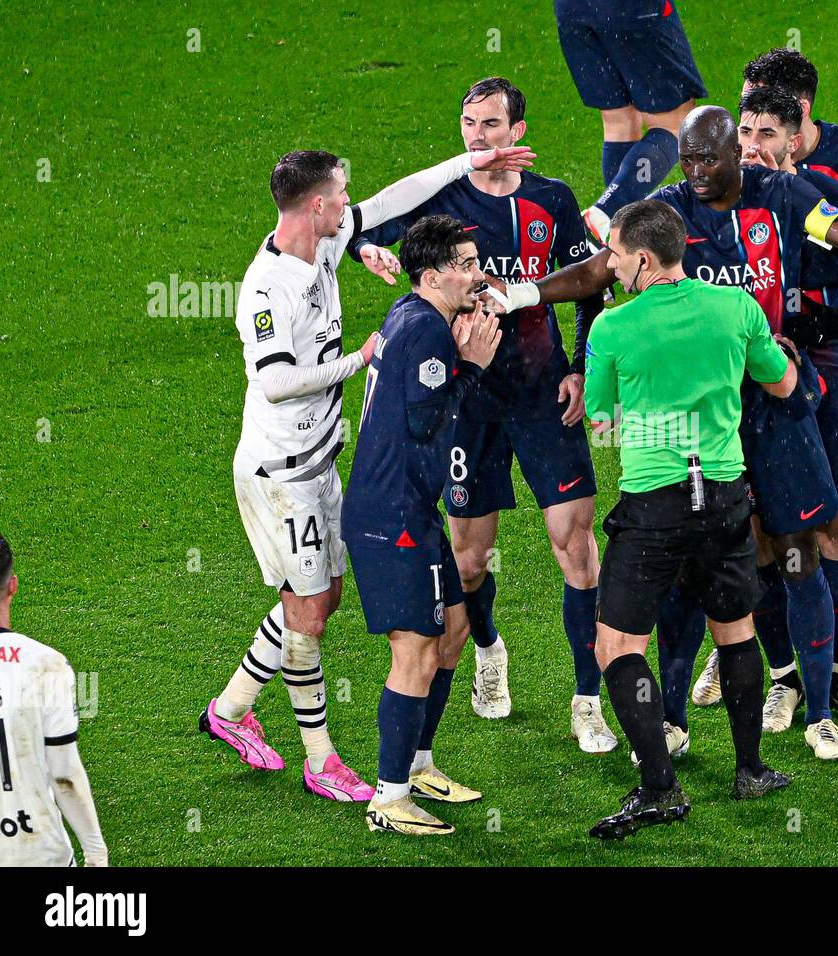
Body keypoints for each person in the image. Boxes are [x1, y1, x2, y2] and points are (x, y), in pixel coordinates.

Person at [486, 106, 838, 761]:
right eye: (689, 162)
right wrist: (516, 297)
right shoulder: (670, 211)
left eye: (710, 159)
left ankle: (835, 689)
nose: (699, 173)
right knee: (736, 558)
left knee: (813, 544)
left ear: (739, 153)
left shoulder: (784, 194)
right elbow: (601, 270)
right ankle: (771, 685)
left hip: (774, 397)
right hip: (717, 413)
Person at [200, 143, 534, 800]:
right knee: (310, 612)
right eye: (343, 194)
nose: (353, 203)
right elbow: (275, 384)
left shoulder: (321, 244)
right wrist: (359, 360)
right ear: (317, 204)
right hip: (281, 470)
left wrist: (465, 163)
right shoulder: (266, 290)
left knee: (320, 599)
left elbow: (391, 202)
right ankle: (320, 758)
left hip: (321, 459)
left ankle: (231, 708)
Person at [348, 77, 614, 753]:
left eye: (490, 125)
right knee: (468, 563)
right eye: (468, 124)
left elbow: (590, 286)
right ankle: (489, 651)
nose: (477, 137)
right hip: (468, 399)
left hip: (543, 394)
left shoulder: (552, 201)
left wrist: (582, 365)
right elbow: (354, 226)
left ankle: (588, 702)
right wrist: (365, 251)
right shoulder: (440, 202)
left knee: (577, 551)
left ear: (517, 132)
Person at [582, 200, 794, 839]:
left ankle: (659, 788)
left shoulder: (612, 329)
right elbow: (781, 385)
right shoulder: (735, 307)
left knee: (616, 647)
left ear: (644, 259)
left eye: (616, 254)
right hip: (727, 498)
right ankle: (751, 769)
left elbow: (599, 422)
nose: (611, 266)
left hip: (654, 508)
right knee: (734, 630)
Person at [683, 87, 838, 735]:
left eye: (766, 133)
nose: (752, 145)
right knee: (762, 534)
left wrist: (834, 320)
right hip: (752, 385)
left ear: (797, 137)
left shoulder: (817, 196)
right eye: (743, 132)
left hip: (828, 367)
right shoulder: (720, 205)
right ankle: (778, 670)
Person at [344, 216, 501, 836]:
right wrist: (472, 364)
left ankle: (418, 760)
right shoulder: (429, 334)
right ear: (432, 277)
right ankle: (388, 797)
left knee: (455, 627)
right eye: (464, 264)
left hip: (409, 509)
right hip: (393, 518)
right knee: (413, 652)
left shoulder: (410, 315)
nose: (477, 273)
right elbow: (424, 424)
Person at [0, 532, 108, 866]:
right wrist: (96, 853)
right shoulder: (45, 664)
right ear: (13, 585)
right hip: (40, 855)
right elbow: (65, 774)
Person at [554, 0, 707, 242]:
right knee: (676, 123)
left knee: (619, 121)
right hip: (632, 9)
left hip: (571, 9)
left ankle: (618, 237)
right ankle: (606, 213)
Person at [741, 48, 838, 187]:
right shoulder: (731, 154)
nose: (750, 113)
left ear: (801, 108)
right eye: (745, 102)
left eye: (763, 103)